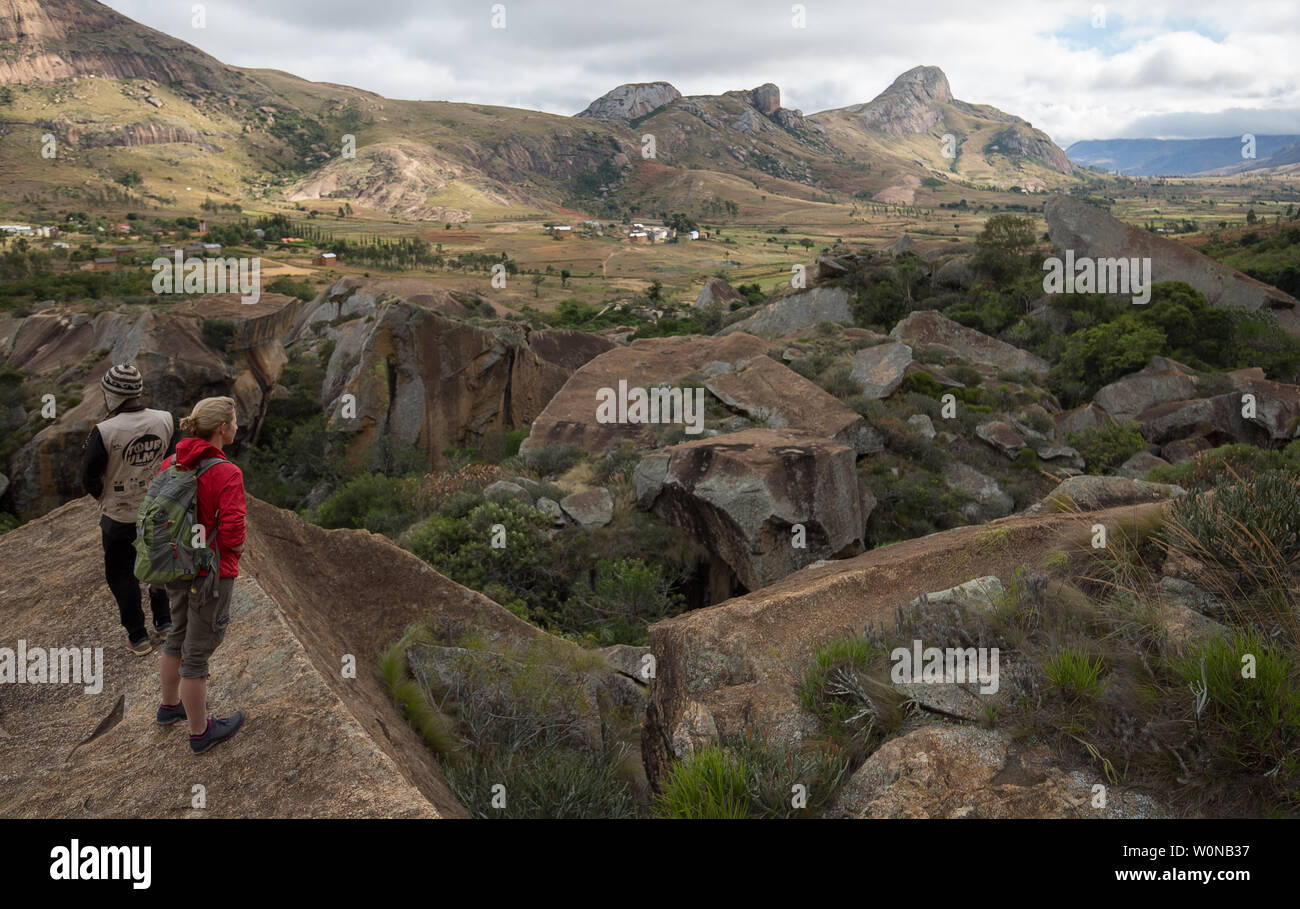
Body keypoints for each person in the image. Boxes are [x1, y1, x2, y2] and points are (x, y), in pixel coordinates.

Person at [155, 396, 247, 755]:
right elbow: (233, 527)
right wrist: (231, 556)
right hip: (211, 572)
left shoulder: (170, 464)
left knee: (177, 632)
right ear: (222, 429)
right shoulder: (227, 472)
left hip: (177, 565)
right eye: (235, 422)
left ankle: (169, 705)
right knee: (198, 652)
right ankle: (200, 732)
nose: (237, 427)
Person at [81, 363, 176, 655]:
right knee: (158, 565)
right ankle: (164, 622)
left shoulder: (104, 430)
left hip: (119, 516)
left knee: (122, 575)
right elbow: (171, 461)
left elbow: (88, 477)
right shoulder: (165, 419)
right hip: (158, 509)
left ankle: (138, 636)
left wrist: (104, 497)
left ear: (111, 394)